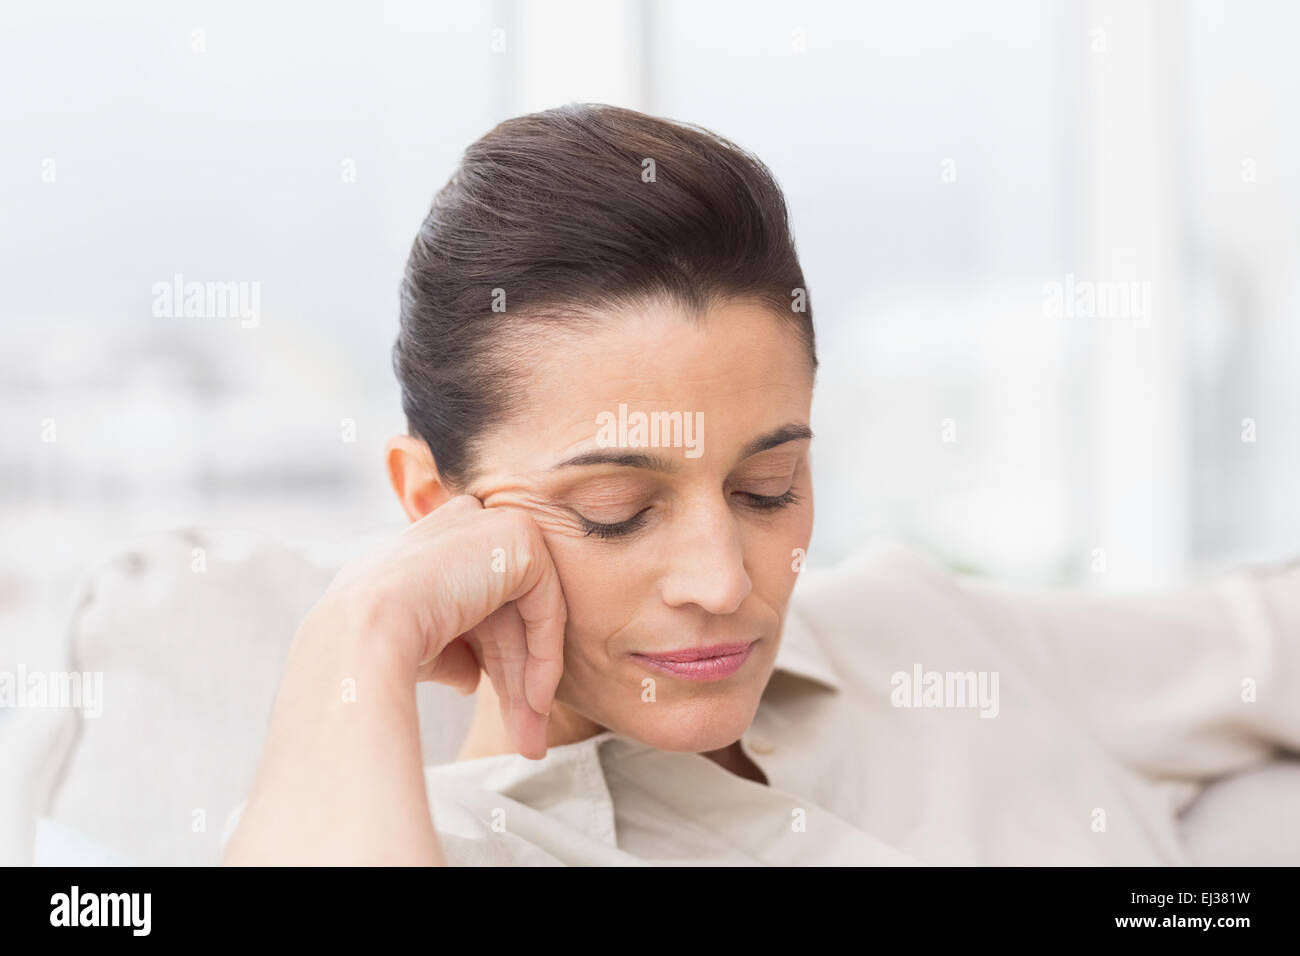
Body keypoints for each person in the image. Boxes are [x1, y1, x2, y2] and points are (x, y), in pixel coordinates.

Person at [221, 103, 1300, 866]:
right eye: (617, 510)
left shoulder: (917, 633)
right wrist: (355, 629)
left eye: (768, 486)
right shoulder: (444, 841)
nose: (720, 579)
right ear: (433, 508)